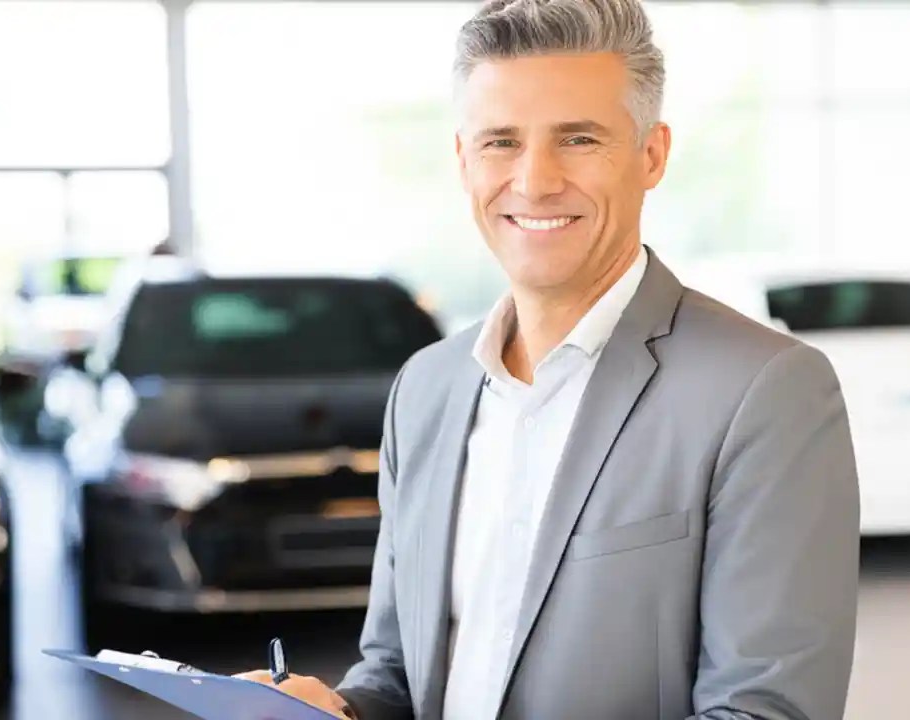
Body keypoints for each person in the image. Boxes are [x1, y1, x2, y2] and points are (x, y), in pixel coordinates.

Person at [238, 0, 860, 717]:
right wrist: (337, 712)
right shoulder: (426, 389)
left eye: (579, 139)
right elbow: (398, 673)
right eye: (501, 141)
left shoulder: (763, 391)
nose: (534, 181)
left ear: (652, 155)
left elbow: (767, 710)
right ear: (463, 159)